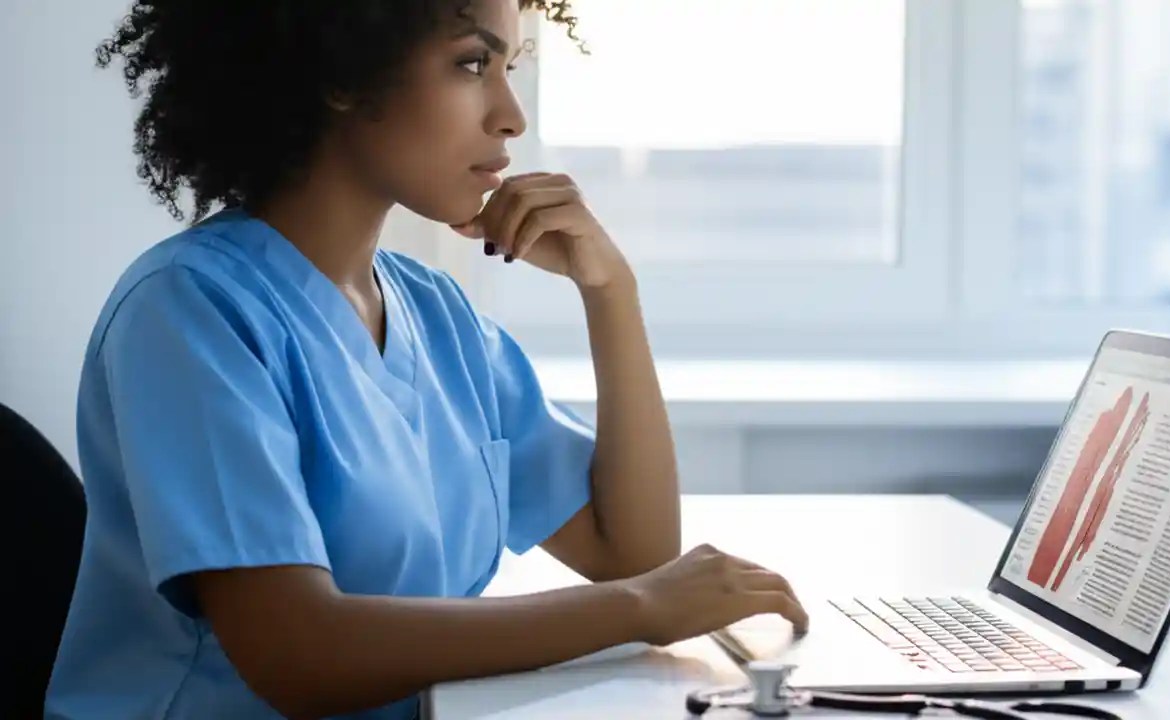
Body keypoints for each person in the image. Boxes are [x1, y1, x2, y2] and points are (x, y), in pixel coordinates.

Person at [44, 1, 809, 718]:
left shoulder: (437, 315)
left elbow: (633, 553)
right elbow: (297, 654)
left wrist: (611, 292)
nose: (512, 116)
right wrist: (640, 610)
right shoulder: (188, 310)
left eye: (512, 68)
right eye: (474, 65)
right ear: (345, 73)